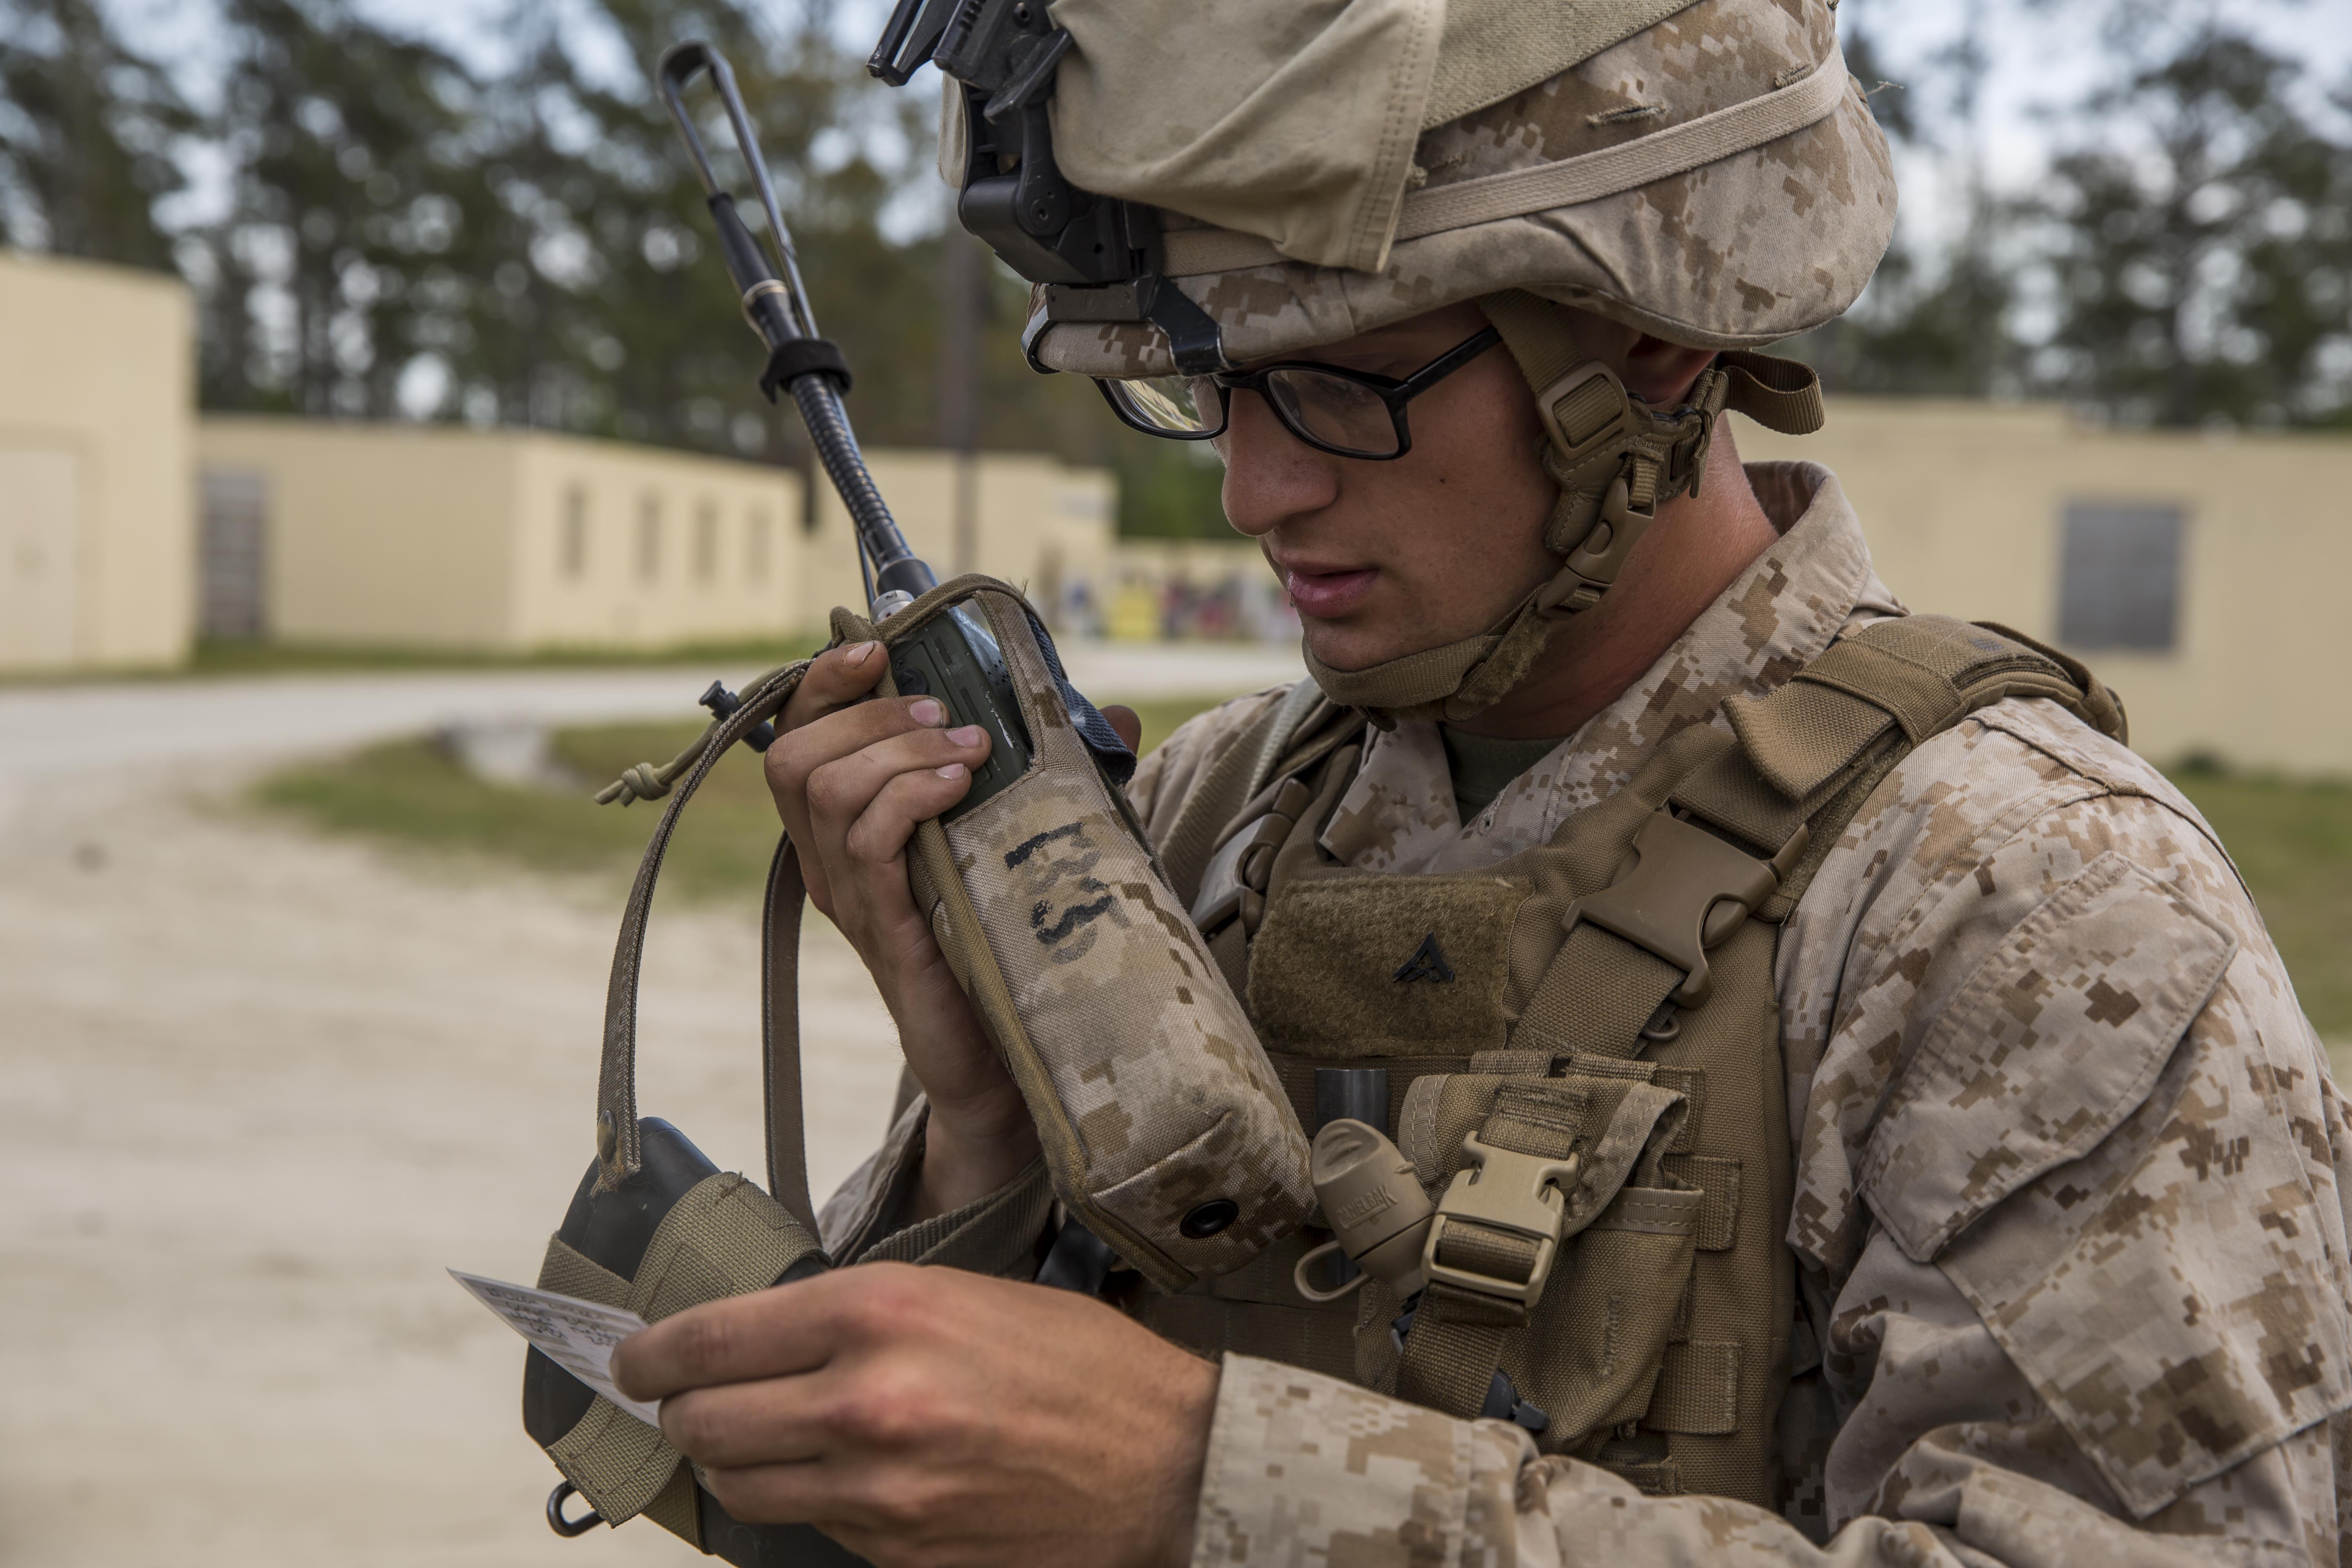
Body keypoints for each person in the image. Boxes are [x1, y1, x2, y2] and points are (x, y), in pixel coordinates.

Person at [611, 2, 2352, 1563]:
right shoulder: (1219, 812)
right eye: (1215, 390)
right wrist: (979, 1116)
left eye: (1342, 388)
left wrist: (1198, 1486)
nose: (1256, 491)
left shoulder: (2026, 897)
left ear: (1652, 342)